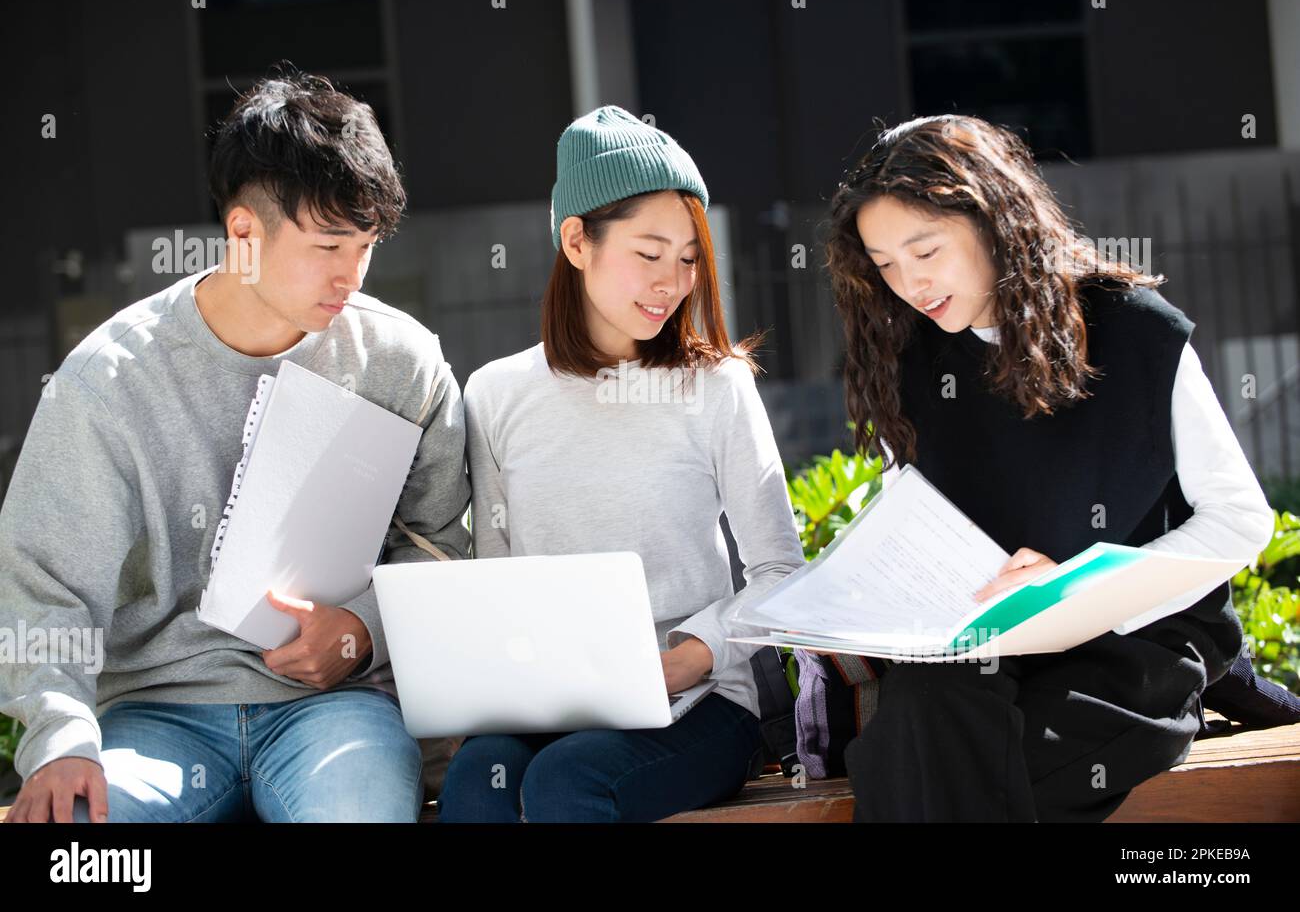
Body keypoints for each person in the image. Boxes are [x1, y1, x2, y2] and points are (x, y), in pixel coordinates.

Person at [0, 70, 470, 823]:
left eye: (366, 245)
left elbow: (444, 546)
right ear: (244, 234)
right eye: (327, 246)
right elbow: (43, 585)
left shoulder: (399, 360)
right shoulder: (108, 379)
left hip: (336, 712)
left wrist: (359, 633)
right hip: (153, 716)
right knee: (83, 849)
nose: (351, 274)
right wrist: (60, 738)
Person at [816, 114, 1275, 822]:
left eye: (926, 249)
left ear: (993, 219)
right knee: (918, 729)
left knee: (965, 770)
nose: (909, 282)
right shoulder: (908, 360)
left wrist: (1074, 585)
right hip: (981, 656)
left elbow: (1241, 522)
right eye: (884, 264)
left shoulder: (1133, 330)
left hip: (1132, 648)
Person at [438, 105, 806, 822]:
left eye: (689, 257)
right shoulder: (497, 393)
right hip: (553, 700)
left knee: (567, 781)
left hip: (698, 703)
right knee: (478, 777)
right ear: (577, 241)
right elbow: (497, 575)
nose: (672, 280)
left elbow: (781, 573)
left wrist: (693, 654)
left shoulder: (716, 386)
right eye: (649, 252)